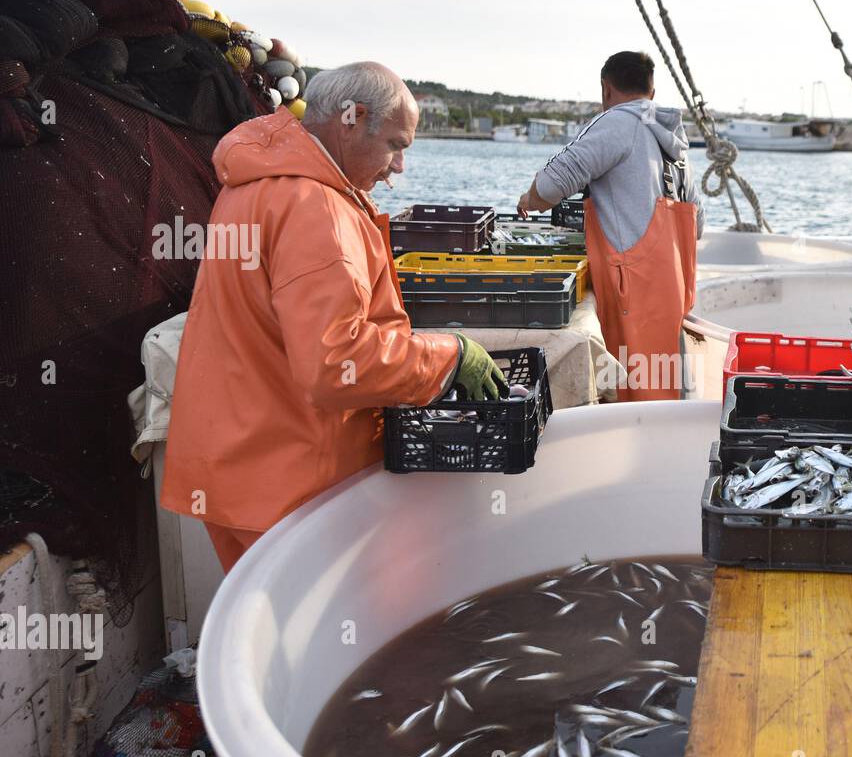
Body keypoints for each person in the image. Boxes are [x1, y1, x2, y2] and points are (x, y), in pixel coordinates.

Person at [161, 62, 506, 572]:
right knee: (317, 642)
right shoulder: (316, 208)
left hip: (233, 466)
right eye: (396, 145)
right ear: (353, 118)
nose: (400, 167)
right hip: (293, 483)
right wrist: (449, 357)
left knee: (268, 636)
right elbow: (335, 360)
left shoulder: (251, 181)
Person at [516, 50, 703, 401]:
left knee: (629, 394)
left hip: (630, 288)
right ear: (652, 89)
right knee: (664, 387)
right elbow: (697, 223)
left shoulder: (617, 122)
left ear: (606, 89)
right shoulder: (675, 142)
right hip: (672, 289)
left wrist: (530, 200)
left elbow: (550, 185)